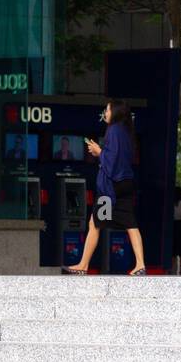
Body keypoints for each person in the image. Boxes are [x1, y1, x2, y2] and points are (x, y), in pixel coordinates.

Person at [63, 99, 147, 275]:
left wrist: (98, 151)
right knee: (130, 224)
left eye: (107, 110)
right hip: (125, 184)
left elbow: (111, 161)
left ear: (114, 112)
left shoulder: (114, 130)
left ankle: (83, 265)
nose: (105, 113)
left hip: (111, 187)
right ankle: (140, 264)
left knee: (95, 223)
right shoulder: (126, 131)